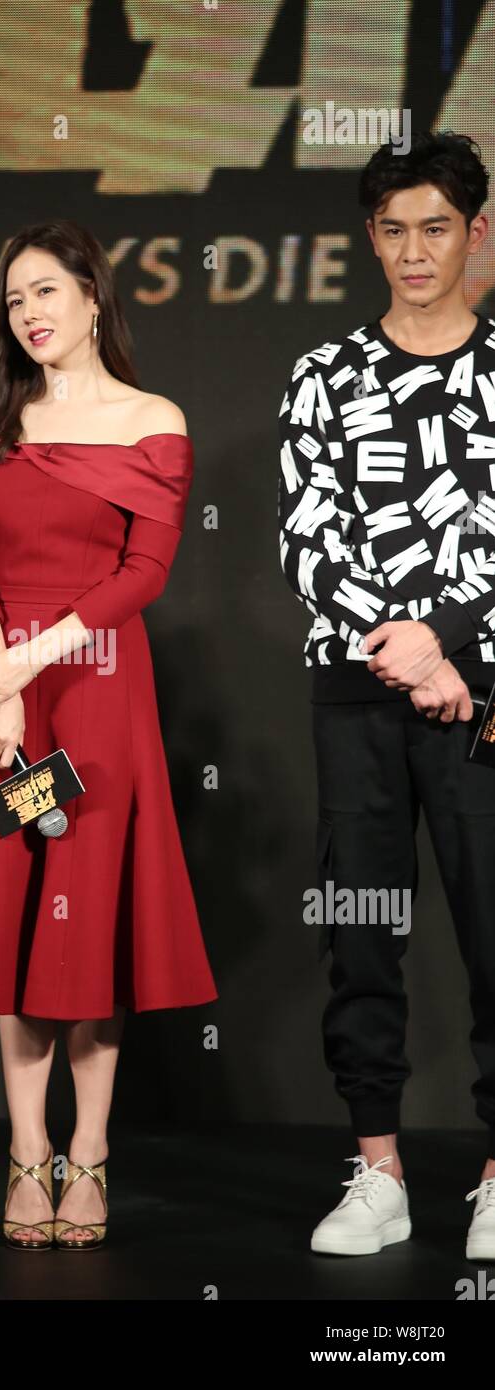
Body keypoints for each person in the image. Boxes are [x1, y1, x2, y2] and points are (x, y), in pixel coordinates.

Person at [0, 219, 218, 1250]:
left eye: (44, 290)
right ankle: (27, 1154)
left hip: (96, 686)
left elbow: (144, 572)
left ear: (91, 296)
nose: (28, 312)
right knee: (8, 915)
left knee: (84, 921)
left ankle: (91, 1152)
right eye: (12, 298)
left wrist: (27, 668)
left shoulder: (152, 420)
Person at [278, 130, 495, 1260]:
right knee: (361, 936)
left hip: (480, 695)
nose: (415, 251)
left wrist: (446, 643)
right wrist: (407, 652)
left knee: (494, 932)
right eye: (395, 230)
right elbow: (307, 539)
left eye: (436, 228)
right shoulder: (323, 375)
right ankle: (378, 1173)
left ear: (475, 233)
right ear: (371, 238)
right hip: (359, 695)